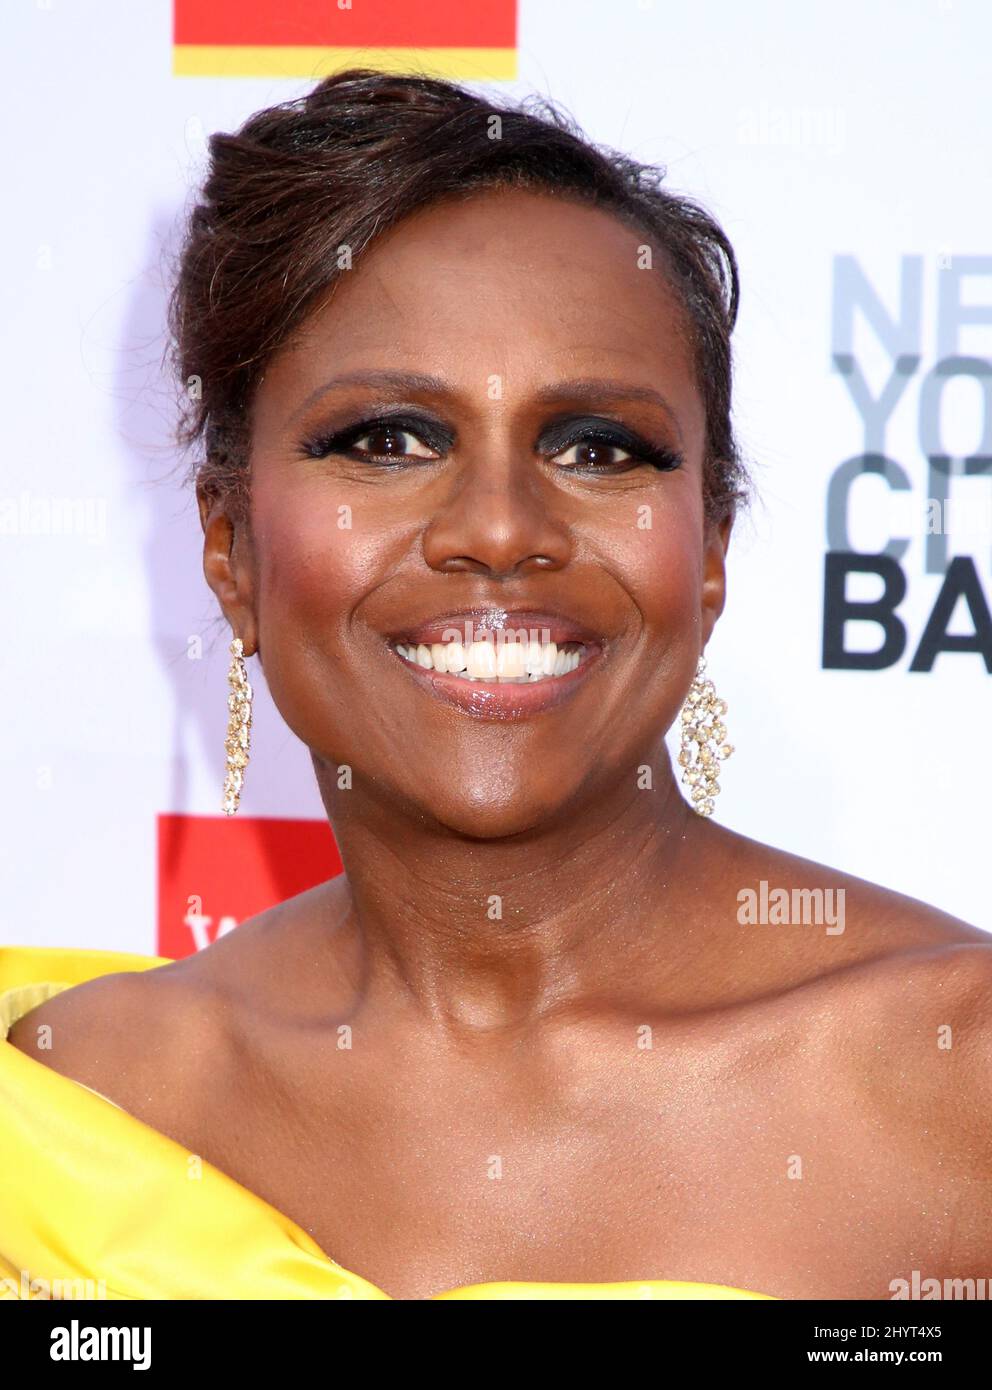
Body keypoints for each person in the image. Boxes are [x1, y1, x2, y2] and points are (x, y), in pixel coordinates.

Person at [2, 68, 989, 1303]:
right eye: (386, 439)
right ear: (230, 550)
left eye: (595, 447)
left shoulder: (955, 1080)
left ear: (713, 545)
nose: (498, 529)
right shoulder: (78, 1112)